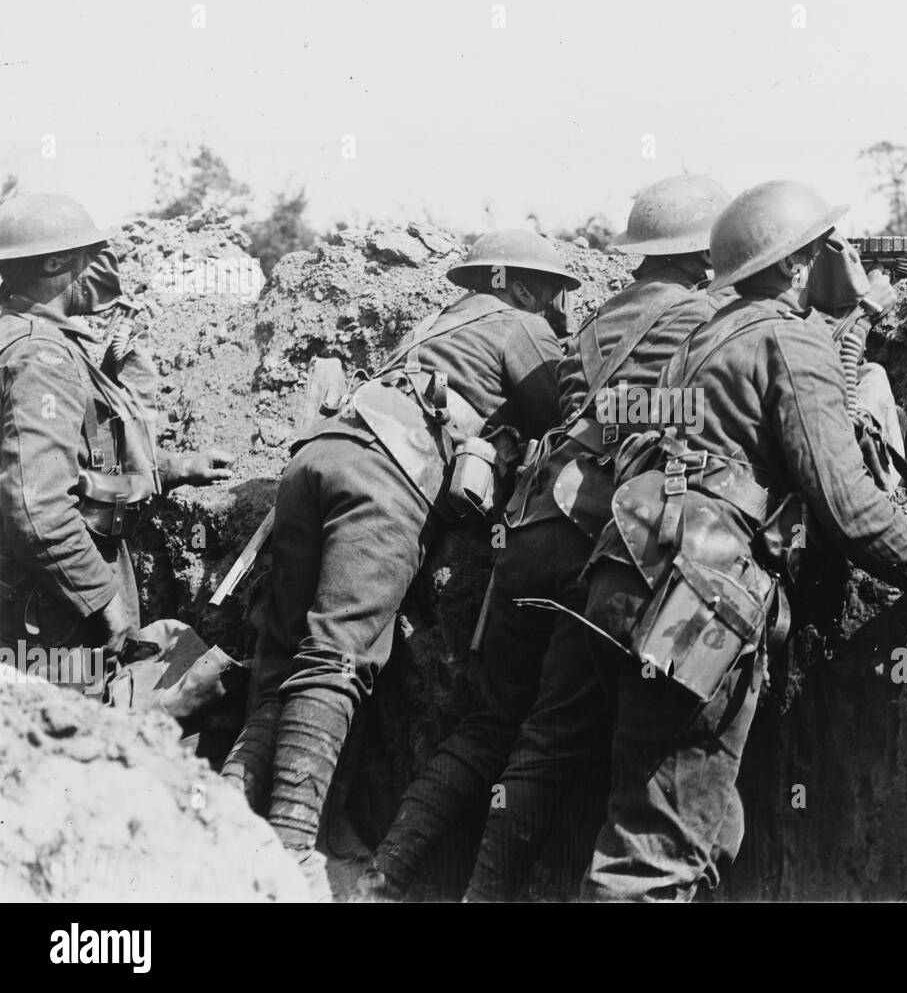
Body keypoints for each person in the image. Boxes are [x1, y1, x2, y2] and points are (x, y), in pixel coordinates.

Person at [579, 180, 907, 901]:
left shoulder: (704, 331)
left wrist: (850, 313)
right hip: (696, 599)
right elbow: (846, 502)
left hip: (628, 579)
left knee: (710, 825)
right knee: (654, 851)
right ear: (793, 265)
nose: (834, 259)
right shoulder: (790, 338)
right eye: (823, 249)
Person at [360, 175, 733, 901]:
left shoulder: (592, 323)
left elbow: (571, 413)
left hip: (530, 528)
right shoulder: (704, 316)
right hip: (601, 544)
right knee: (547, 740)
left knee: (487, 723)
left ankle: (381, 879)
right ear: (704, 253)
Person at [220, 229, 573, 894]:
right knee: (338, 656)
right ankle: (288, 850)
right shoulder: (519, 322)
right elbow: (567, 412)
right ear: (520, 284)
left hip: (317, 456)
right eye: (552, 290)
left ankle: (226, 821)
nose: (557, 306)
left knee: (287, 657)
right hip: (388, 472)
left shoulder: (434, 323)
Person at [0, 194, 231, 688]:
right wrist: (105, 602)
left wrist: (172, 468)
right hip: (48, 617)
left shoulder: (24, 338)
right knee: (72, 747)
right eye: (90, 253)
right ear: (56, 261)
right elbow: (37, 510)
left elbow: (80, 457)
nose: (101, 266)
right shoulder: (41, 358)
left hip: (36, 599)